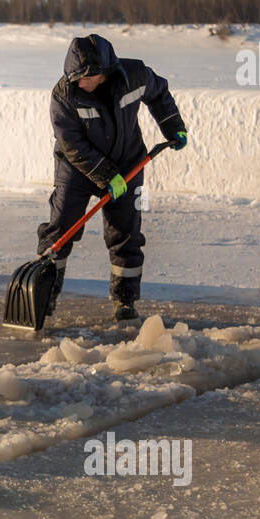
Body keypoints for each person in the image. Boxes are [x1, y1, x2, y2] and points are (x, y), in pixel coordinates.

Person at [37, 33, 188, 321]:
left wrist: (173, 127)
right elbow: (72, 145)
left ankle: (125, 301)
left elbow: (159, 94)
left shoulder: (135, 76)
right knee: (60, 228)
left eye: (85, 77)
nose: (79, 82)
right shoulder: (64, 96)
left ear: (103, 71)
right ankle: (44, 297)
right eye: (74, 77)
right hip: (77, 168)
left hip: (127, 162)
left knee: (126, 232)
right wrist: (106, 175)